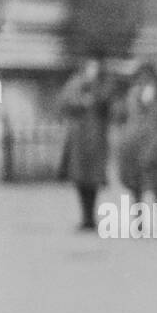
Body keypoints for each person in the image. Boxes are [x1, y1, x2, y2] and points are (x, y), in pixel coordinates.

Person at [56, 50, 114, 231]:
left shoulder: (103, 84)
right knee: (80, 179)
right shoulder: (75, 83)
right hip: (79, 138)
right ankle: (86, 217)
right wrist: (81, 99)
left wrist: (95, 94)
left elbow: (109, 105)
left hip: (96, 138)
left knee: (94, 179)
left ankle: (91, 216)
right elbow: (64, 102)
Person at [116, 60, 157, 204]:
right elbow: (121, 118)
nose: (145, 81)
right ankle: (138, 225)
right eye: (142, 77)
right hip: (135, 147)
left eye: (149, 77)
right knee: (136, 187)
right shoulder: (131, 95)